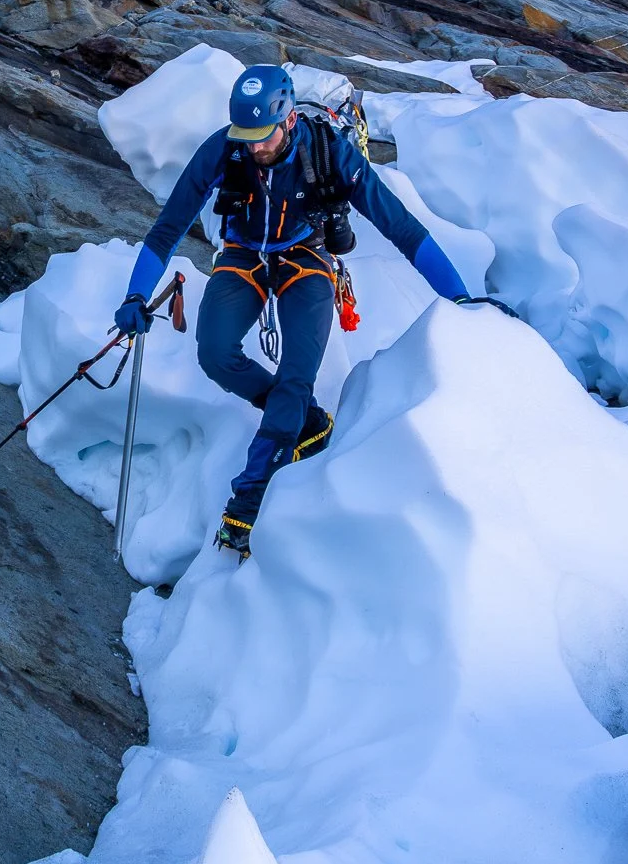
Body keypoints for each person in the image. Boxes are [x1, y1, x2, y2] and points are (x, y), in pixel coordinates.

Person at [114, 64, 469, 558]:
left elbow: (403, 229)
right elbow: (166, 229)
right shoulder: (225, 147)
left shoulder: (329, 153)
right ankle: (306, 421)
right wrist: (135, 294)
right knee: (215, 353)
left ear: (288, 121)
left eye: (262, 136)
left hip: (306, 259)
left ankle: (249, 496)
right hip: (243, 256)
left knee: (296, 375)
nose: (253, 147)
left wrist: (459, 295)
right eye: (246, 136)